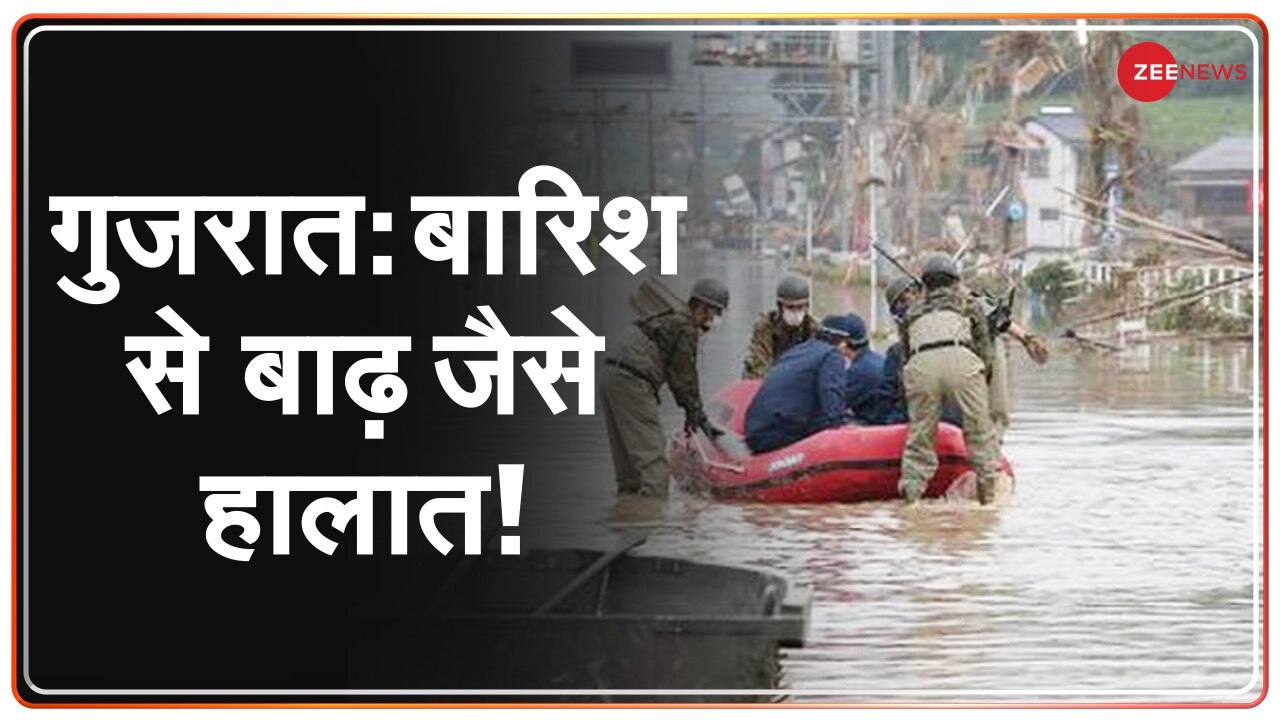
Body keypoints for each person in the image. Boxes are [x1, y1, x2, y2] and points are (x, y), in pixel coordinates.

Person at [601, 278, 729, 497]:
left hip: (611, 376)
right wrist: (698, 416)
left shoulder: (669, 317)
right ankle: (653, 521)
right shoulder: (685, 327)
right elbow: (684, 377)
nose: (716, 319)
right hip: (633, 381)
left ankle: (628, 521)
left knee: (630, 476)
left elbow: (676, 376)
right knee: (656, 473)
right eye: (716, 312)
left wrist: (693, 413)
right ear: (702, 308)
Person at [897, 255, 1001, 505]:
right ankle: (988, 501)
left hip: (921, 365)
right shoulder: (970, 306)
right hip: (961, 360)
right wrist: (981, 382)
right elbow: (986, 351)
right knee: (979, 433)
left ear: (925, 286)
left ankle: (911, 501)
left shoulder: (911, 312)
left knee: (920, 437)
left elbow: (905, 357)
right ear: (955, 282)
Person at [744, 314, 862, 454]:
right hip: (777, 434)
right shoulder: (832, 355)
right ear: (843, 342)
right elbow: (833, 409)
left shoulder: (797, 350)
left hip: (754, 432)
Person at [741, 274, 817, 379]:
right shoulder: (766, 326)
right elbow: (759, 361)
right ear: (780, 307)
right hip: (772, 377)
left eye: (800, 307)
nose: (795, 312)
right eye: (790, 307)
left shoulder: (812, 328)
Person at [841, 313, 885, 424]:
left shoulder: (858, 372)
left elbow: (835, 405)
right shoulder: (880, 360)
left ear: (843, 343)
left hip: (874, 428)